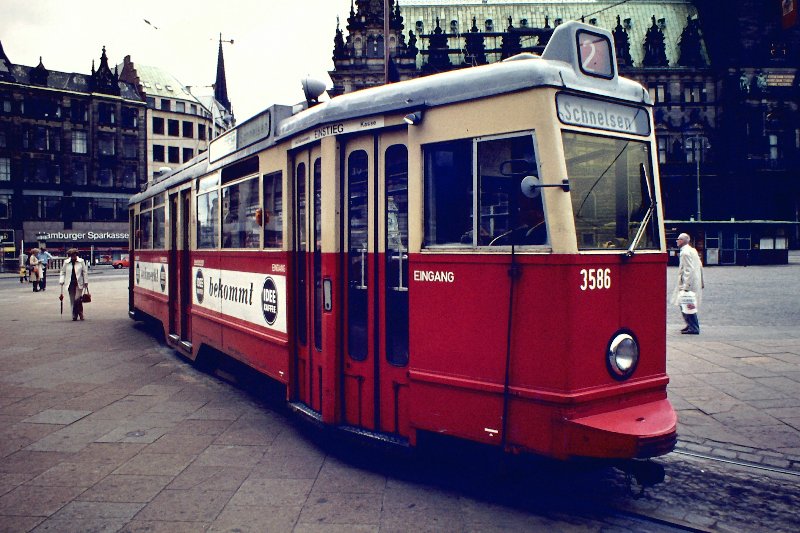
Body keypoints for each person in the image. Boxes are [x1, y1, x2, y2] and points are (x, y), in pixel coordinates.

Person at [671, 233, 704, 334]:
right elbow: (700, 266)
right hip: (694, 282)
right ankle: (690, 325)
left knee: (687, 304)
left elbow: (688, 270)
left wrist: (686, 286)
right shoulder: (692, 250)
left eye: (678, 239)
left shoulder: (685, 253)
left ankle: (693, 327)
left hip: (688, 284)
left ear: (682, 241)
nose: (676, 241)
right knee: (687, 304)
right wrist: (702, 282)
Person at [59, 248, 89, 321]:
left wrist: (86, 281)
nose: (73, 257)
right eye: (72, 255)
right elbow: (63, 272)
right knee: (72, 300)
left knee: (77, 299)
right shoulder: (66, 262)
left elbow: (84, 272)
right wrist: (61, 280)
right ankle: (74, 315)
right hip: (70, 283)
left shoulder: (81, 261)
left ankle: (80, 313)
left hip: (79, 283)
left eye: (74, 255)